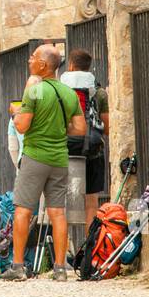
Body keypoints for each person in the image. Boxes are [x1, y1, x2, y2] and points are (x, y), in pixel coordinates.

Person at [2, 44, 85, 282]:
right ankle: (60, 269)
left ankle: (18, 267)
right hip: (59, 159)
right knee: (58, 212)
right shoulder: (68, 93)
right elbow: (80, 128)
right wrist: (58, 128)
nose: (30, 60)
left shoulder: (35, 90)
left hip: (35, 157)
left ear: (43, 65)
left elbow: (22, 126)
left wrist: (16, 112)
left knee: (23, 210)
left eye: (34, 57)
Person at [61, 49, 107, 218]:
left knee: (60, 201)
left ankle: (62, 244)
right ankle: (90, 243)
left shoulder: (60, 90)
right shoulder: (99, 92)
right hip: (92, 150)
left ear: (71, 66)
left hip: (63, 149)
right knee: (91, 201)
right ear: (89, 67)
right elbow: (107, 128)